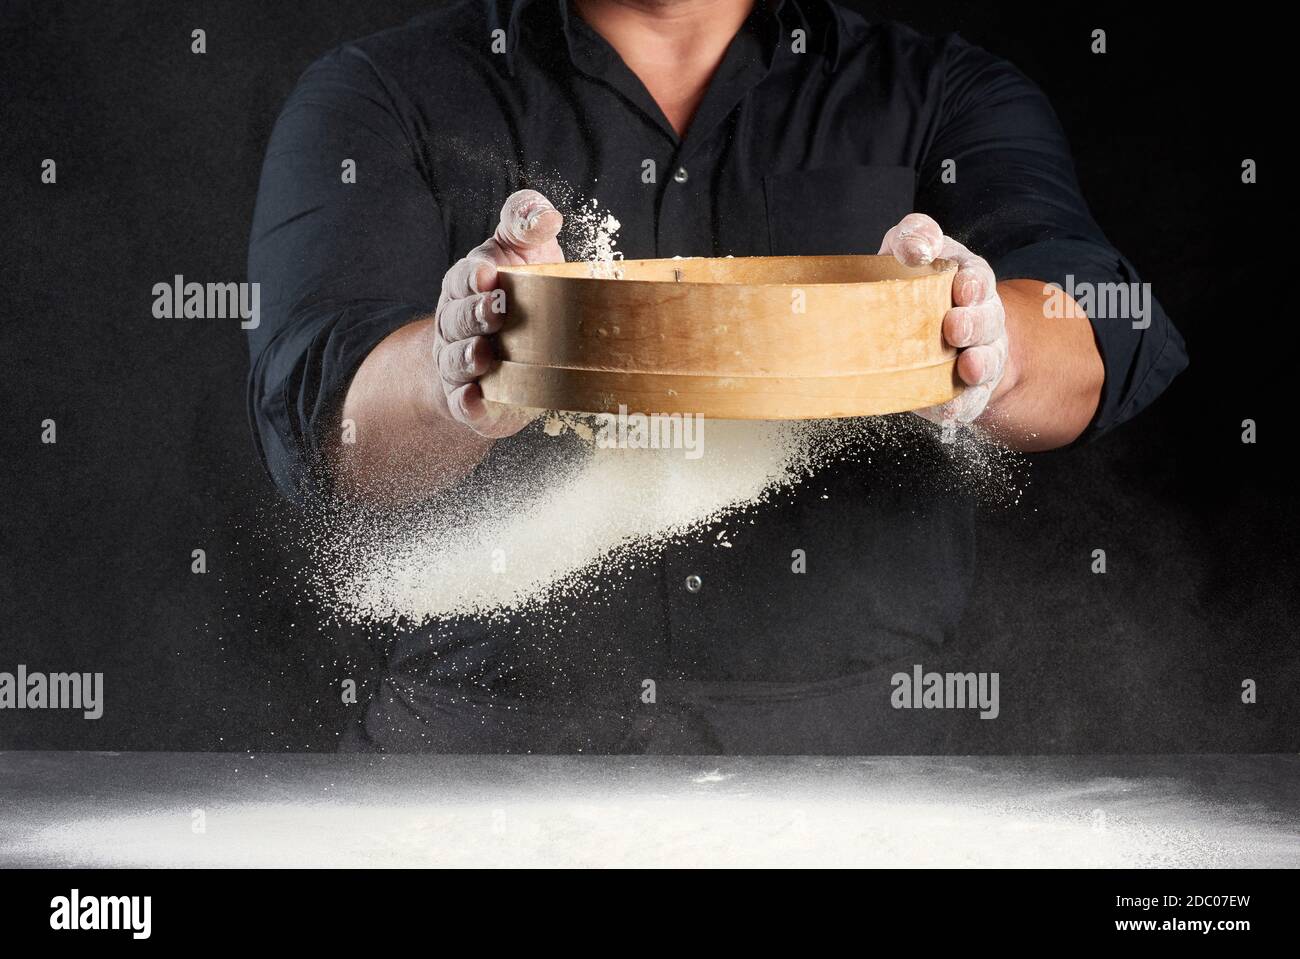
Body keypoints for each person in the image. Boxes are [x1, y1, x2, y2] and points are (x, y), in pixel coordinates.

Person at [247, 0, 1187, 752]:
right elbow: (322, 425)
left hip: (865, 778)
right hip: (486, 759)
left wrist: (993, 344)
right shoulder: (378, 93)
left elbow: (1100, 320)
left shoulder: (939, 91)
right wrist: (449, 371)